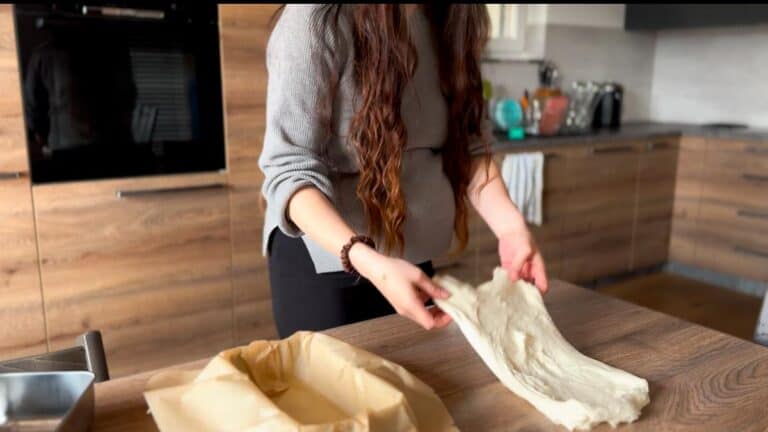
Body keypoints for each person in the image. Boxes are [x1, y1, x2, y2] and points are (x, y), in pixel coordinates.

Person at [259, 4, 548, 338]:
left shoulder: (451, 18)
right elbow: (289, 169)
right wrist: (374, 266)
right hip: (327, 263)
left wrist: (512, 229)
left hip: (408, 259)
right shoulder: (314, 19)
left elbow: (471, 146)